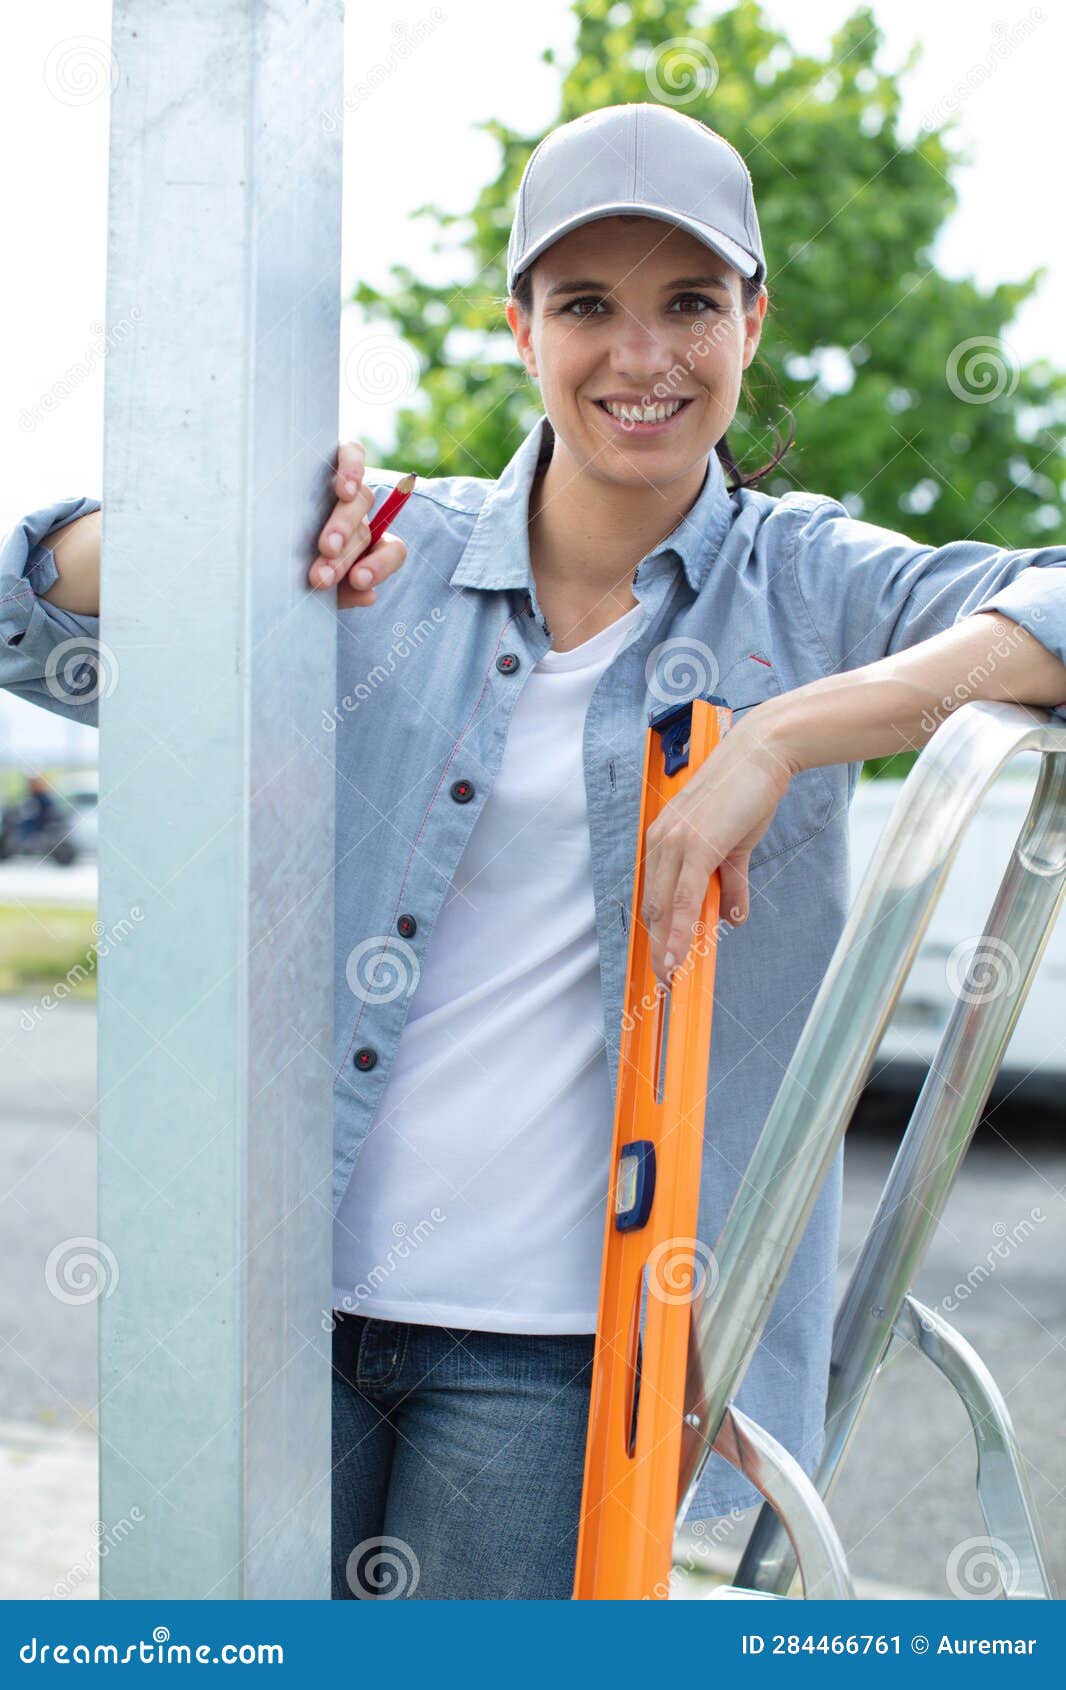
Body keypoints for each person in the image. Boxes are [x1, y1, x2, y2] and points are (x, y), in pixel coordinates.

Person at [3, 102, 1066, 1602]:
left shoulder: (809, 584)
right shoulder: (381, 555)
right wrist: (240, 515)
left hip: (562, 1347)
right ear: (519, 329)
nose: (641, 357)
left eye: (689, 304)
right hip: (277, 1301)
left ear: (750, 323)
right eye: (586, 306)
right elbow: (26, 612)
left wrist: (785, 734)